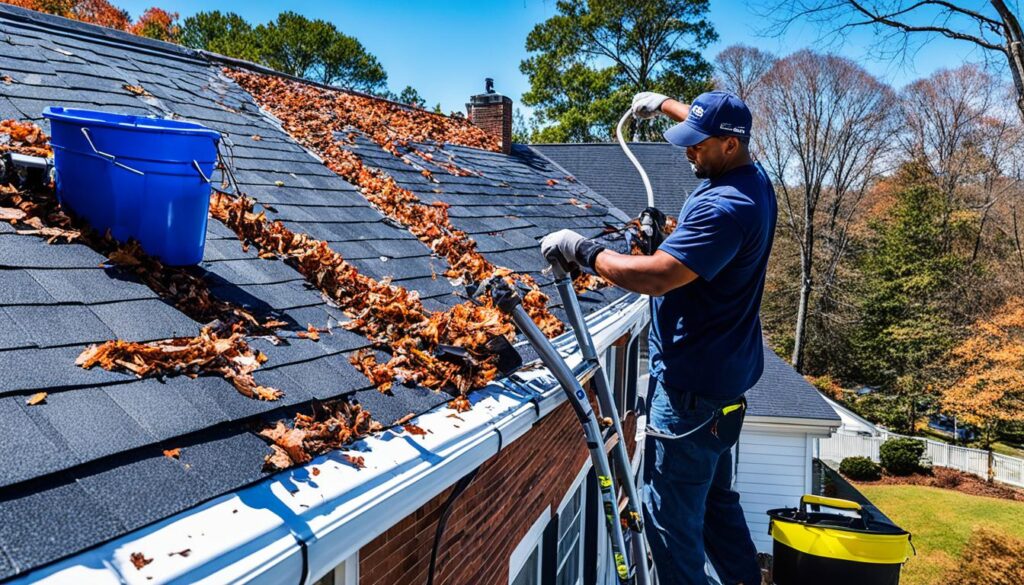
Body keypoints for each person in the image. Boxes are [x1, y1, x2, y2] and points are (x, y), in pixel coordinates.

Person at [540, 90, 776, 585]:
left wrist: (582, 250)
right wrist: (664, 104)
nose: (687, 150)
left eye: (697, 144)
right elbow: (704, 127)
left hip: (689, 397)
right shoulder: (754, 181)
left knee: (668, 528)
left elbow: (656, 278)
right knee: (715, 503)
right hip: (723, 393)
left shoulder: (727, 206)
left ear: (730, 145)